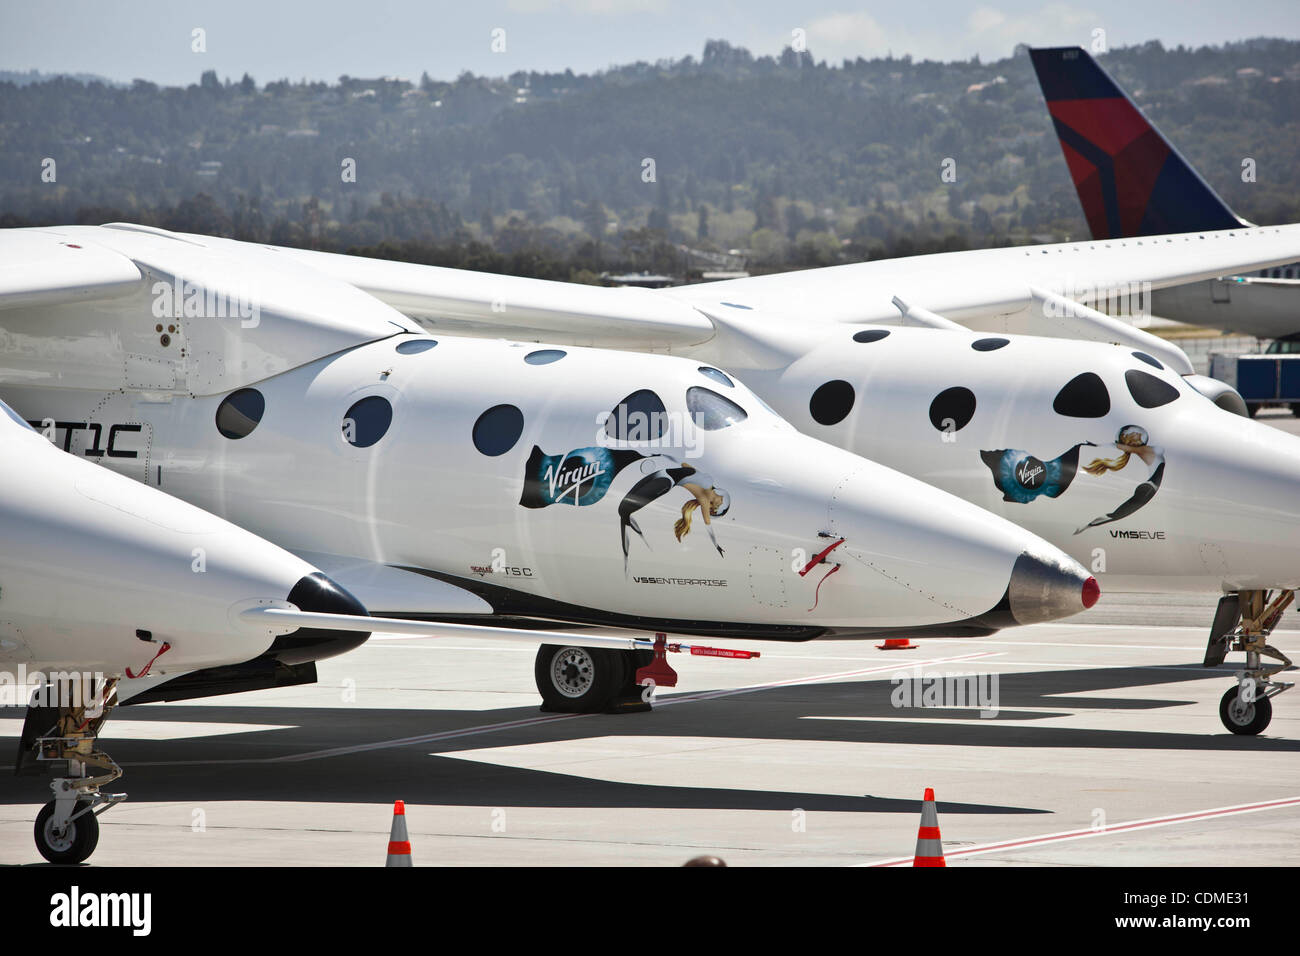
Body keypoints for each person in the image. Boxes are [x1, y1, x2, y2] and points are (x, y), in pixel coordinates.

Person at [617, 455, 731, 571]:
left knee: (624, 511)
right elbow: (683, 464)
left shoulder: (704, 500)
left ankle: (627, 553)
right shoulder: (708, 482)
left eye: (721, 502)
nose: (721, 499)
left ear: (714, 507)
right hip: (661, 473)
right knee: (623, 508)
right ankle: (633, 539)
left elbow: (708, 526)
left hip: (665, 482)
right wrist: (663, 455)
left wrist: (716, 545)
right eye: (722, 499)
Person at [1074, 425, 1165, 534]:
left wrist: (1097, 445)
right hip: (1149, 489)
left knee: (1115, 515)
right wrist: (1097, 445)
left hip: (1148, 487)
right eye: (1133, 434)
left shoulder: (1143, 450)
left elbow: (1117, 445)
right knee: (1116, 515)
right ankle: (1086, 526)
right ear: (1131, 440)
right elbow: (1119, 446)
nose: (1137, 434)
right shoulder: (1145, 450)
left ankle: (1087, 526)